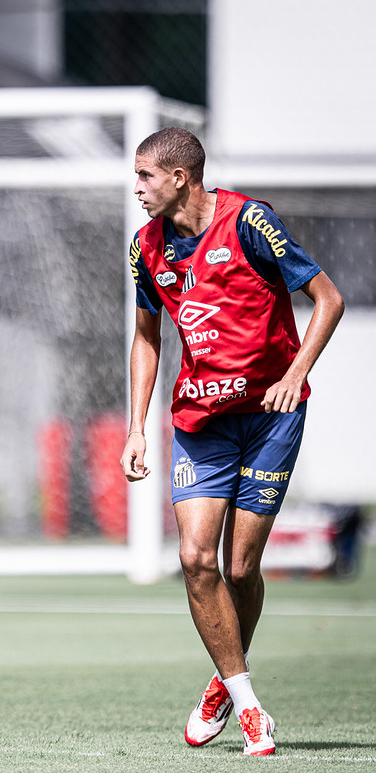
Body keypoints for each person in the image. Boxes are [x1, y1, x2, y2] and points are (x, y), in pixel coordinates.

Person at [119, 127, 344, 757]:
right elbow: (146, 338)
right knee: (196, 560)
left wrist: (295, 374)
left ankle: (223, 676)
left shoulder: (249, 223)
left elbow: (328, 299)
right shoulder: (145, 248)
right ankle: (247, 704)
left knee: (241, 568)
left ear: (180, 178)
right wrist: (136, 427)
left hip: (271, 416)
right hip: (202, 421)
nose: (137, 188)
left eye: (145, 175)